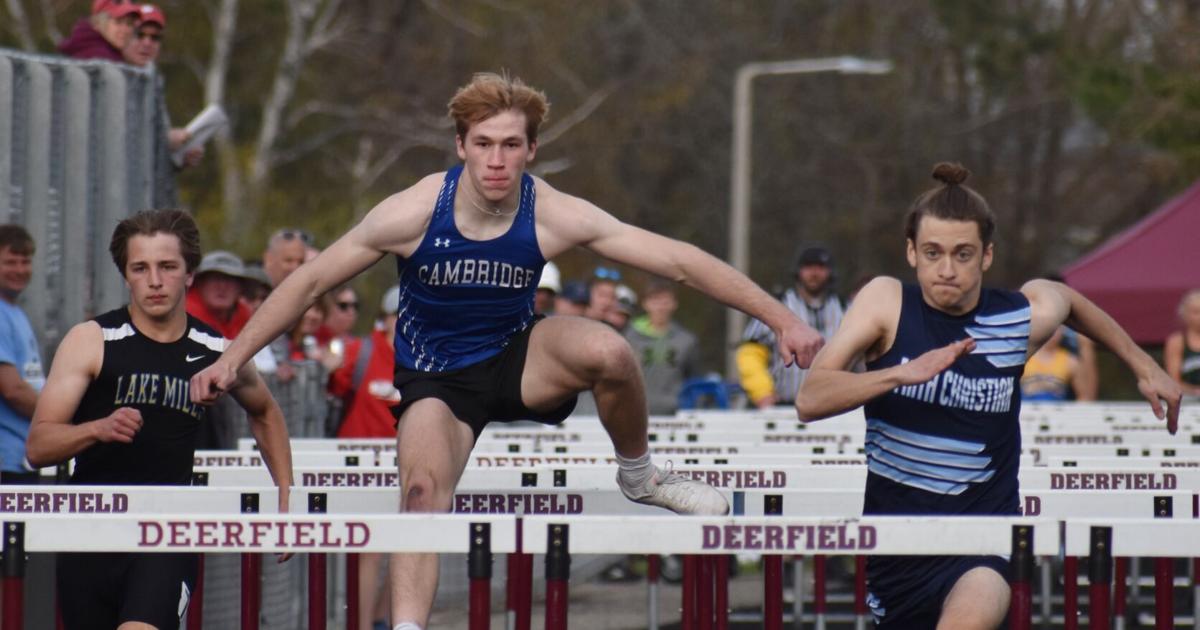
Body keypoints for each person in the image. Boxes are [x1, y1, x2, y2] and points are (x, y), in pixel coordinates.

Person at [190, 72, 822, 630]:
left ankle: (641, 475)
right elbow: (309, 282)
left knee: (610, 349)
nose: (496, 161)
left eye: (511, 146)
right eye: (484, 144)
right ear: (461, 146)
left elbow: (678, 262)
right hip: (437, 380)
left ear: (531, 151)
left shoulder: (550, 211)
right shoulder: (412, 212)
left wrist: (780, 317)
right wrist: (230, 356)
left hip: (518, 356)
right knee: (419, 497)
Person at [795, 162, 1181, 630]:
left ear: (987, 256)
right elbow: (811, 398)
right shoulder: (886, 302)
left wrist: (1146, 366)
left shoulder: (1017, 319)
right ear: (912, 252)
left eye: (963, 254)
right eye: (934, 253)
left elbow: (1070, 301)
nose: (947, 270)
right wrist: (898, 376)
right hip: (898, 546)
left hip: (986, 540)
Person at [25, 209, 294, 630]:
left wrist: (285, 495)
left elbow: (265, 412)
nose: (154, 280)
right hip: (90, 531)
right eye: (141, 268)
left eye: (167, 267)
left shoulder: (217, 350)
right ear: (126, 275)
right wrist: (98, 428)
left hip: (167, 533)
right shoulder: (91, 341)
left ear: (189, 275)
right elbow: (39, 447)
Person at [330, 286, 402, 630]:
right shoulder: (362, 351)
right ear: (385, 320)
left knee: (404, 547)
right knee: (369, 550)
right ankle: (359, 625)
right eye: (398, 318)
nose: (405, 325)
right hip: (359, 470)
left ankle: (382, 620)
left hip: (404, 469)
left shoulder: (426, 360)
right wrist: (326, 365)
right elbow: (331, 382)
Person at [738, 245, 845, 408]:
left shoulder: (844, 309)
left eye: (820, 267)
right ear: (798, 271)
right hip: (783, 406)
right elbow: (750, 354)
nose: (814, 273)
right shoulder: (777, 306)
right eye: (808, 267)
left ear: (830, 272)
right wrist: (762, 393)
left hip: (833, 407)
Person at [120, 4, 204, 170]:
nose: (147, 43)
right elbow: (120, 142)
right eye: (140, 35)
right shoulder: (112, 81)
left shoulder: (153, 84)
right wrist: (165, 140)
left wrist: (180, 157)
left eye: (155, 38)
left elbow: (149, 161)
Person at [0, 226, 44, 484]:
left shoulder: (15, 312)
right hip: (5, 462)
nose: (19, 269)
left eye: (25, 261)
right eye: (9, 262)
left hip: (22, 457)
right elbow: (13, 390)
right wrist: (60, 419)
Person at [624, 280, 699, 415]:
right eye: (655, 301)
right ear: (645, 303)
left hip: (674, 413)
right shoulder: (628, 337)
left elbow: (693, 378)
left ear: (674, 304)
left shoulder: (687, 340)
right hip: (635, 410)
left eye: (665, 301)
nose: (660, 307)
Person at [185, 250, 253, 339]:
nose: (222, 287)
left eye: (230, 280)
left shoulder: (245, 315)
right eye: (215, 278)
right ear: (199, 283)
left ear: (240, 287)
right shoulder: (181, 314)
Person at [58, 0, 140, 62]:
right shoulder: (101, 59)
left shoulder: (84, 46)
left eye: (129, 23)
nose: (125, 30)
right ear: (98, 22)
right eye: (118, 22)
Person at [1021, 326, 1083, 401]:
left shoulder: (1071, 361)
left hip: (1058, 410)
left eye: (1056, 329)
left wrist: (1086, 347)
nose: (1052, 333)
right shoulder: (1022, 357)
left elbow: (1085, 397)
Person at [1164, 289, 1200, 399]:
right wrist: (1195, 391)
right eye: (1196, 312)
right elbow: (1173, 381)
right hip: (1187, 401)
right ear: (1185, 314)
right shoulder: (1177, 342)